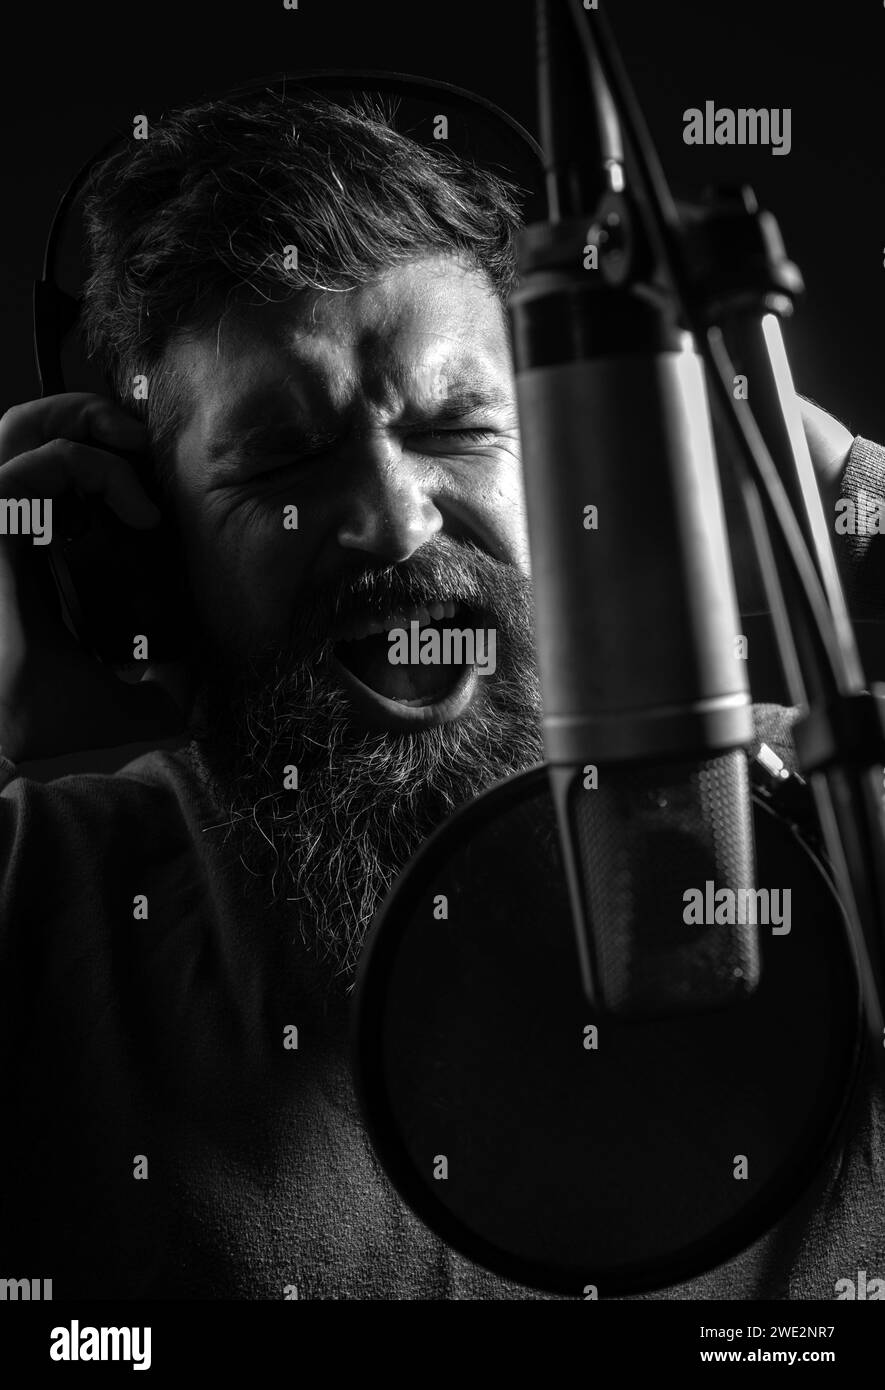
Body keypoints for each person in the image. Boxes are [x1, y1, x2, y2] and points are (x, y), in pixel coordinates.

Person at [0, 91, 881, 1300]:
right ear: (147, 552)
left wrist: (838, 490)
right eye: (283, 460)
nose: (393, 520)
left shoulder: (831, 821)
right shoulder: (45, 904)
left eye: (462, 426)